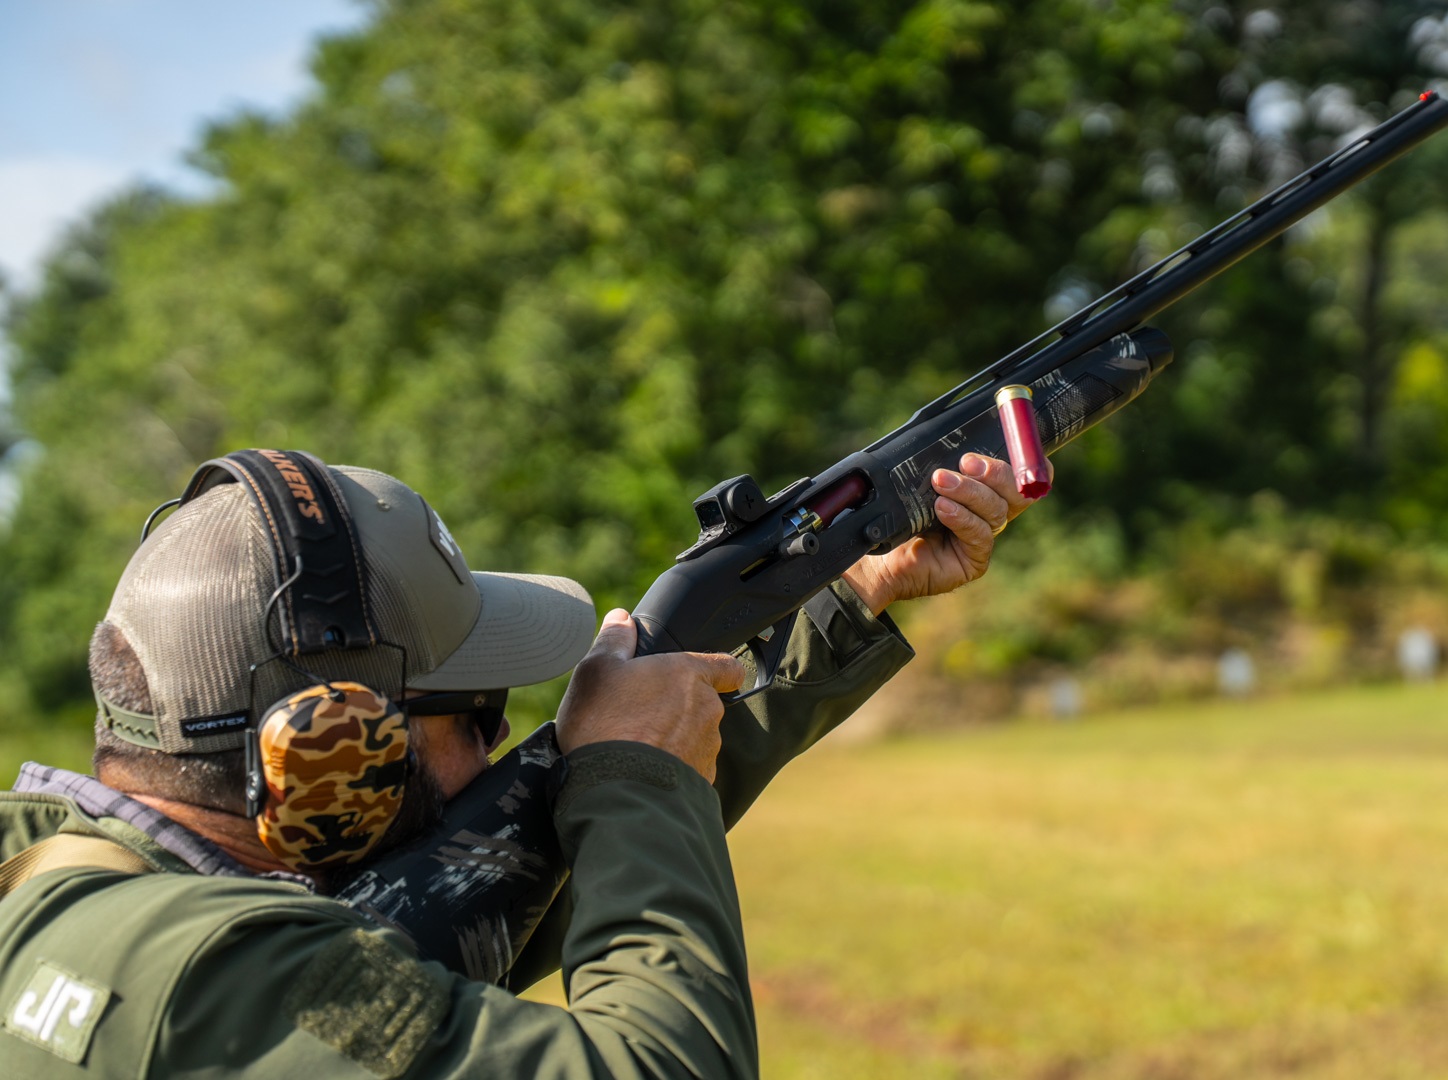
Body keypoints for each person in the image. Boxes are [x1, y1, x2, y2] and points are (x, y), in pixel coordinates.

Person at [0, 447, 1043, 1078]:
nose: (504, 749)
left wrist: (844, 595)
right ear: (329, 751)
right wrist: (636, 775)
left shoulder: (54, 885)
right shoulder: (221, 975)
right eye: (483, 715)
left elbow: (489, 875)